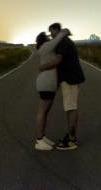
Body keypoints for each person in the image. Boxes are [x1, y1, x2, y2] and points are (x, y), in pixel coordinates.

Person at [40, 22, 85, 150]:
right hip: (70, 78)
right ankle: (70, 136)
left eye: (51, 32)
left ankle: (72, 140)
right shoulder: (64, 41)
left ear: (56, 30)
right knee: (70, 107)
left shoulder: (63, 42)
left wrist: (43, 67)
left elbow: (58, 60)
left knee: (71, 108)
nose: (51, 35)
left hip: (70, 79)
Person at [34, 27, 70, 151]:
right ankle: (39, 140)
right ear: (44, 40)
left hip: (48, 83)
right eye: (47, 36)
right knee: (42, 111)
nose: (50, 37)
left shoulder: (45, 48)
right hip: (46, 83)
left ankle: (42, 137)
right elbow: (58, 38)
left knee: (45, 111)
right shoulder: (46, 47)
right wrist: (64, 31)